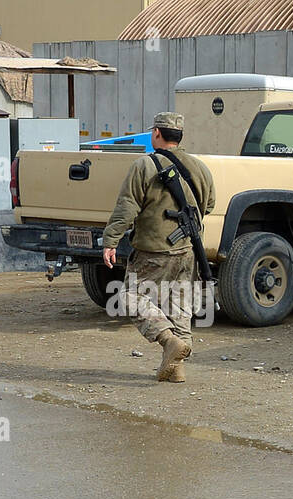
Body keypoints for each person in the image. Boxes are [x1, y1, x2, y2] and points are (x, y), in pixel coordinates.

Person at [101, 111, 216, 383]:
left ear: (156, 133)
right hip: (188, 251)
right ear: (180, 136)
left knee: (130, 297)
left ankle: (168, 341)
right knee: (180, 306)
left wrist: (110, 240)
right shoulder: (199, 167)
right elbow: (208, 205)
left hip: (153, 251)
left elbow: (127, 207)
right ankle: (176, 369)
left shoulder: (144, 166)